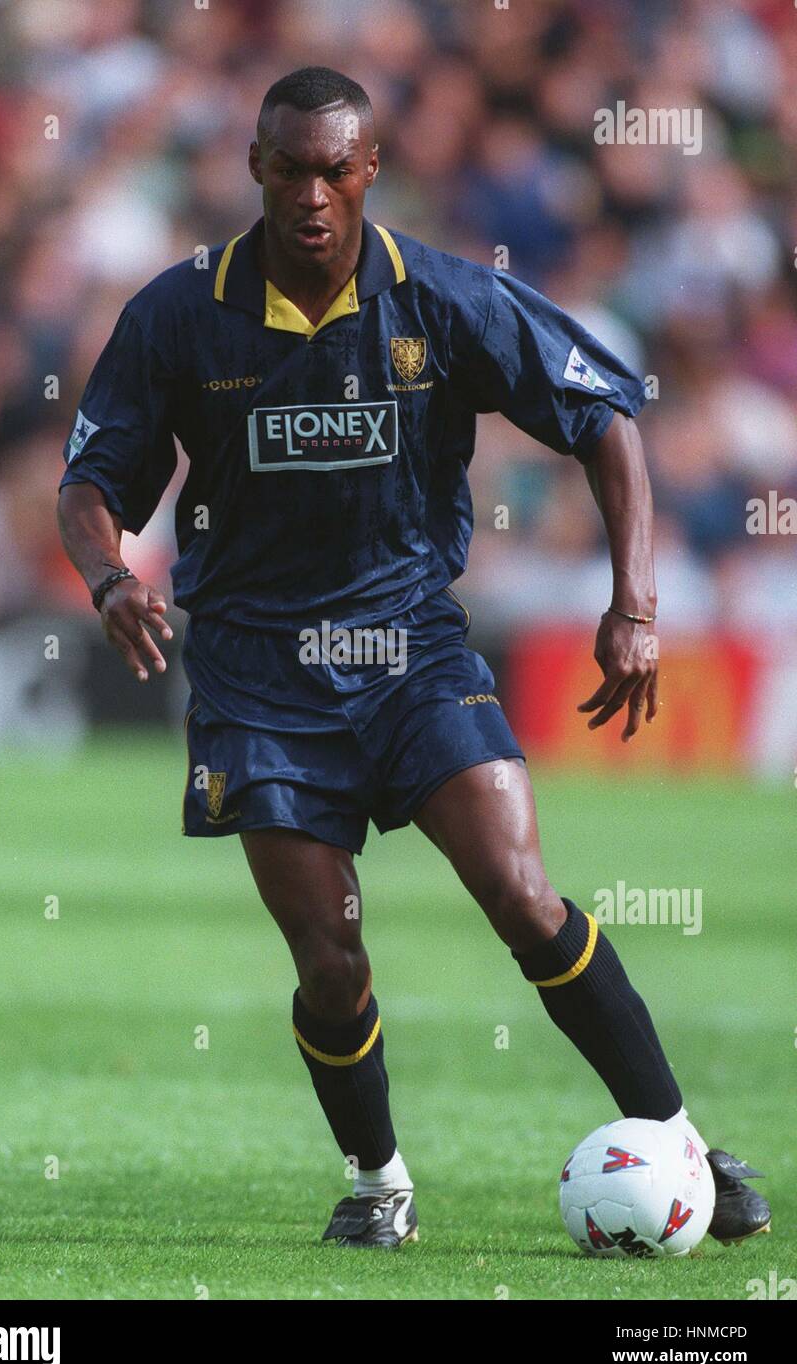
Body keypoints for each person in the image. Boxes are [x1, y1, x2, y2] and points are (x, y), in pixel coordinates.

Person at [57, 66, 770, 1250]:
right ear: (255, 169)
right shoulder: (178, 314)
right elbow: (89, 483)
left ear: (372, 170)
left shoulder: (442, 298)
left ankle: (678, 1140)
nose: (313, 195)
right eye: (290, 168)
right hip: (255, 675)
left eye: (337, 169)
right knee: (329, 953)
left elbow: (606, 416)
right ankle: (379, 1180)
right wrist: (106, 574)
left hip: (410, 650)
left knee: (521, 892)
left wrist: (635, 604)